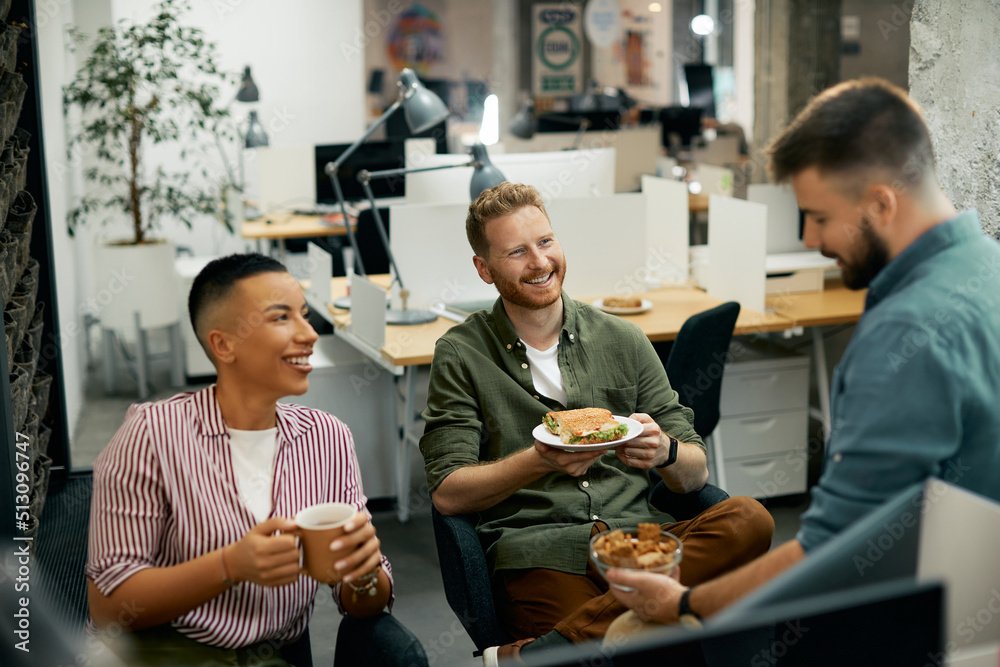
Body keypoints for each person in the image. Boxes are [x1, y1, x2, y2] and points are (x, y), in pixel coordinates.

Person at [605, 77, 1000, 628]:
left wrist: (686, 603)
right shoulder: (988, 266)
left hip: (921, 618)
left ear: (881, 203)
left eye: (816, 216)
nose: (812, 240)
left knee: (637, 635)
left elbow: (830, 550)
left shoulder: (906, 330)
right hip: (972, 598)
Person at [419, 182, 775, 663]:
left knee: (749, 517)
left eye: (545, 242)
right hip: (538, 549)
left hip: (638, 538)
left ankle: (532, 656)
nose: (540, 263)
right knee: (644, 647)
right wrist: (538, 461)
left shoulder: (623, 339)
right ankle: (608, 632)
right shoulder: (461, 353)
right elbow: (448, 490)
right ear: (484, 269)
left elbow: (696, 473)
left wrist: (665, 451)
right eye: (517, 252)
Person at [86, 254, 395, 665]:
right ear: (223, 344)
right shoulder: (151, 435)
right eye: (281, 318)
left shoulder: (327, 438)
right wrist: (230, 565)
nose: (309, 334)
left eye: (304, 315)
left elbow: (358, 600)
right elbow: (109, 608)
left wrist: (365, 575)